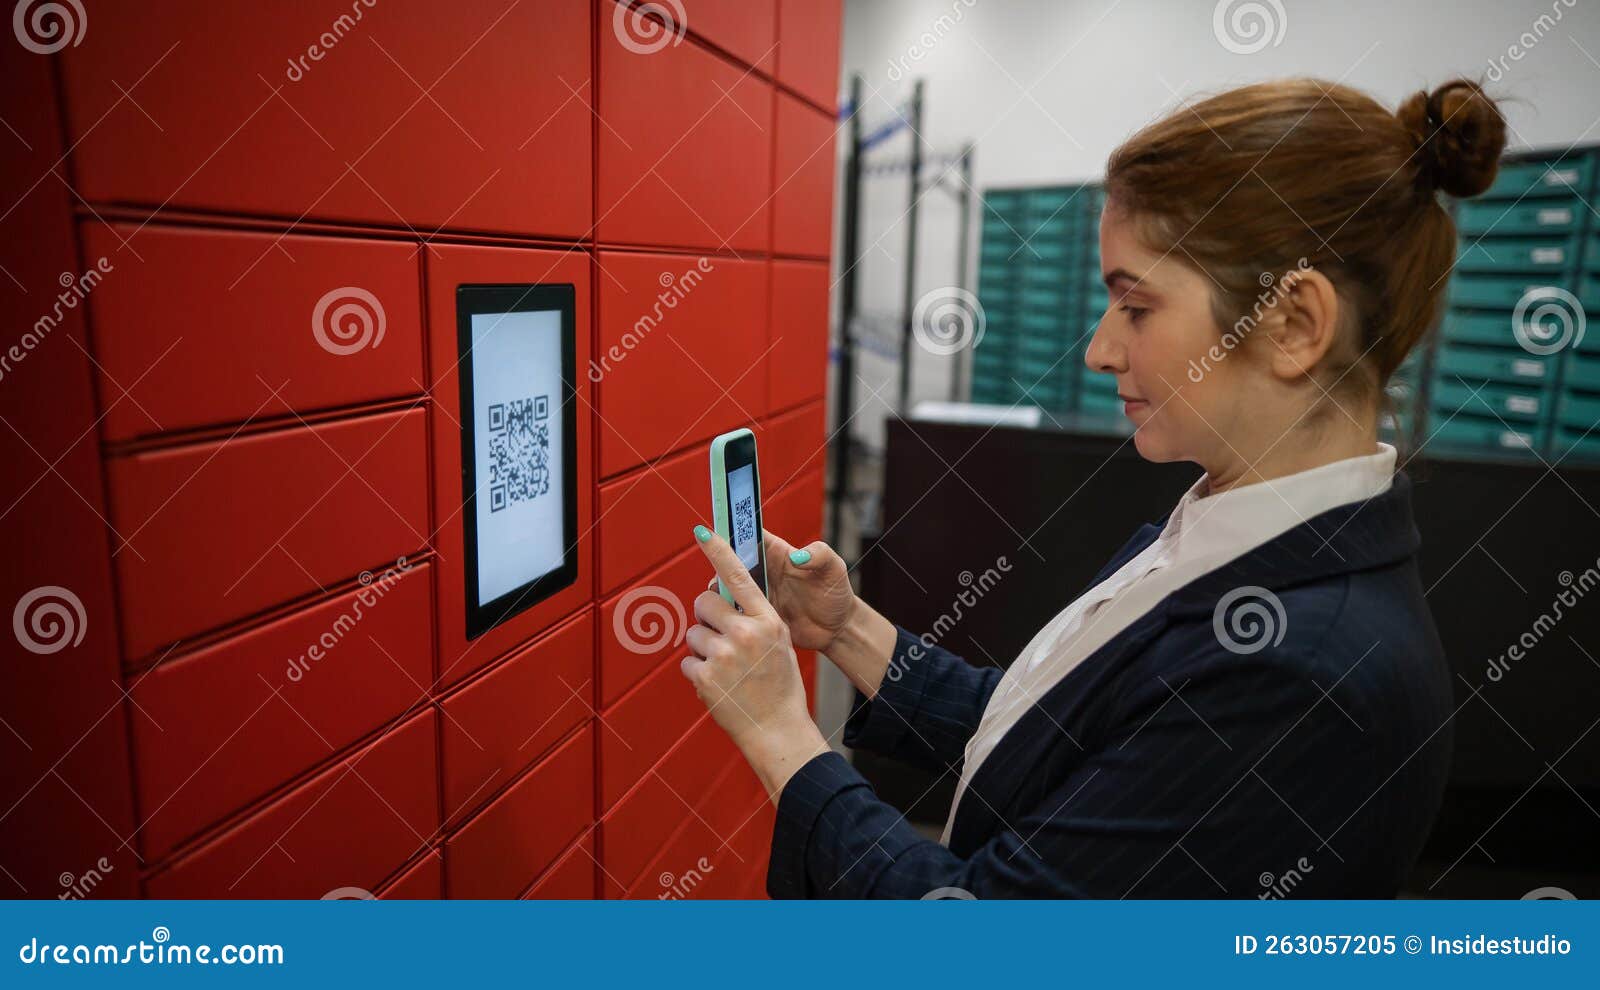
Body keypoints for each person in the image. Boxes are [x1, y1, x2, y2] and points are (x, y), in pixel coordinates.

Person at [679, 77, 1508, 898]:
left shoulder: (1297, 678)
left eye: (1136, 307)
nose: (1101, 351)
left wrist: (780, 734)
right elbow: (1049, 737)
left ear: (1293, 325)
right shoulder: (1228, 531)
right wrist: (847, 627)